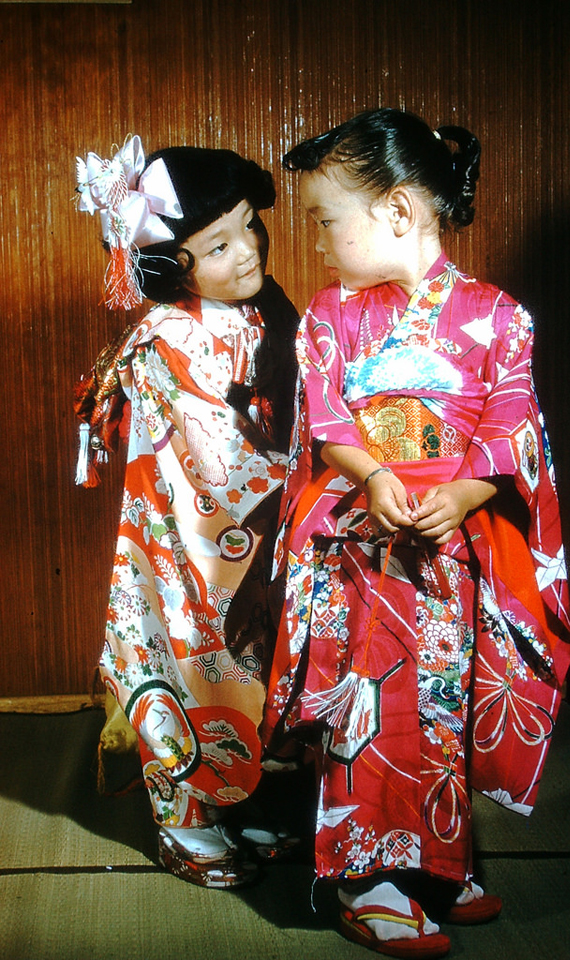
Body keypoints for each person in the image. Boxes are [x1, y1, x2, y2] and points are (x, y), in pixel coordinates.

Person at [263, 109, 570, 957]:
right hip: (367, 551)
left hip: (449, 552)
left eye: (328, 219)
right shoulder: (328, 318)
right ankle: (368, 880)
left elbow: (514, 425)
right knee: (372, 709)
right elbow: (327, 424)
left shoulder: (499, 318)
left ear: (398, 212)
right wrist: (373, 474)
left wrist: (470, 490)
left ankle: (434, 858)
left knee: (439, 703)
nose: (320, 241)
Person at [74, 136, 299, 887]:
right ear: (172, 264)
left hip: (250, 541)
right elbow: (208, 452)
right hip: (183, 541)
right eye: (218, 244)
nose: (246, 253)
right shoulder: (165, 336)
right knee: (183, 666)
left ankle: (241, 800)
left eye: (248, 228)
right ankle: (183, 820)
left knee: (255, 670)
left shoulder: (266, 312)